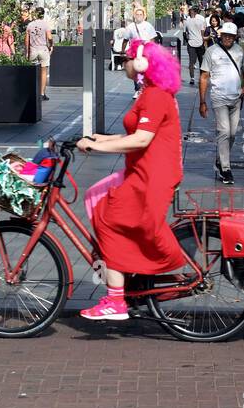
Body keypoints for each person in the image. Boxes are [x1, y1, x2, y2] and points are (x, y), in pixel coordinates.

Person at [76, 40, 188, 322]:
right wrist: (100, 138)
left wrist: (98, 148)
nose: (123, 62)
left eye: (127, 58)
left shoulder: (155, 96)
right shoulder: (149, 93)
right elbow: (134, 133)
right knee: (95, 195)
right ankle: (126, 271)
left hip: (152, 176)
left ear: (141, 64)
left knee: (107, 219)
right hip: (143, 170)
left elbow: (141, 139)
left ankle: (115, 300)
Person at [199, 21, 244, 186]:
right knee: (224, 131)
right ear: (220, 35)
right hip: (218, 97)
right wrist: (202, 101)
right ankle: (225, 169)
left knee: (233, 134)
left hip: (236, 98)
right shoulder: (211, 52)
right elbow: (204, 77)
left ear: (235, 37)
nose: (227, 38)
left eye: (230, 36)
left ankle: (219, 160)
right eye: (225, 35)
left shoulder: (239, 51)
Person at [25, 6, 53, 101]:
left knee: (31, 72)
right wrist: (51, 46)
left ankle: (31, 92)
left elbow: (27, 41)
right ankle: (42, 94)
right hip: (43, 50)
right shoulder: (46, 25)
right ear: (43, 14)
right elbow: (49, 38)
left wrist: (27, 52)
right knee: (44, 72)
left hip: (33, 50)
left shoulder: (30, 25)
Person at [181, 6, 208, 86]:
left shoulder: (187, 22)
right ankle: (201, 78)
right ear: (196, 13)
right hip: (200, 43)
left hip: (191, 43)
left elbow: (185, 33)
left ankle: (192, 78)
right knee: (201, 62)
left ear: (190, 12)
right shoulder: (201, 21)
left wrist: (188, 39)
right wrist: (203, 42)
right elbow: (202, 33)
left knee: (191, 62)